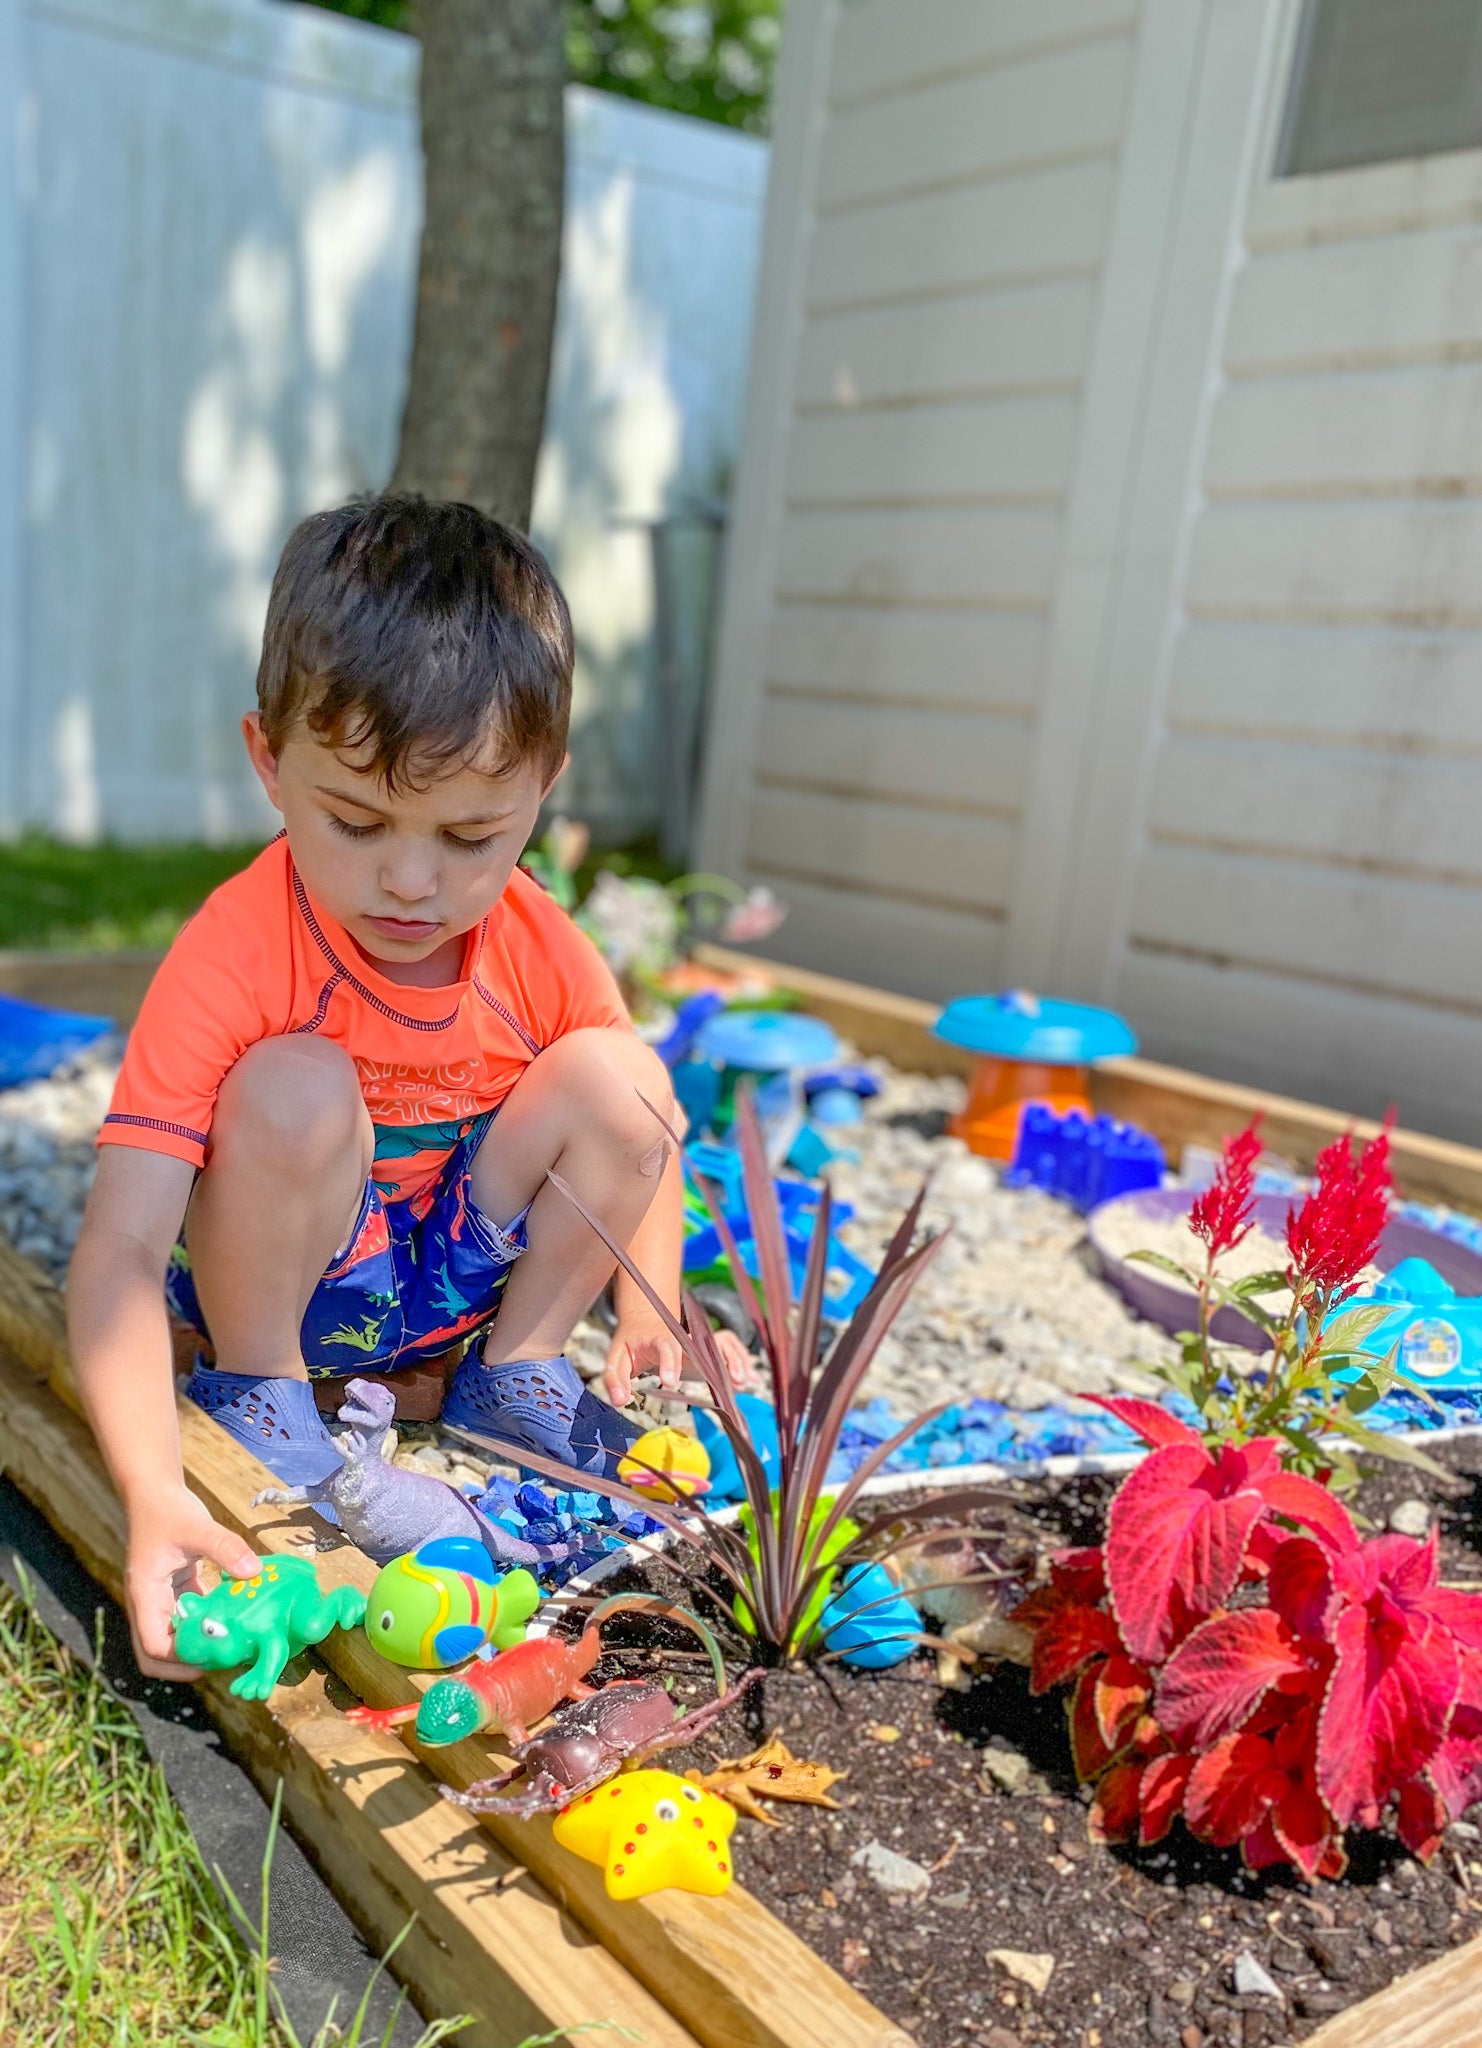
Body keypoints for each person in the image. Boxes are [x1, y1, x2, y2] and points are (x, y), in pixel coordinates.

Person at [67, 496, 749, 1681]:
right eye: (358, 819)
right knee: (291, 1086)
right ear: (269, 762)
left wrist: (650, 1306)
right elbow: (122, 1248)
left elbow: (643, 1129)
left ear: (544, 789)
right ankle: (263, 1395)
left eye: (476, 834)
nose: (414, 882)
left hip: (450, 1276)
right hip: (297, 1277)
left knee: (625, 1079)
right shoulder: (237, 950)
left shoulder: (532, 939)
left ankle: (512, 1374)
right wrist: (153, 1490)